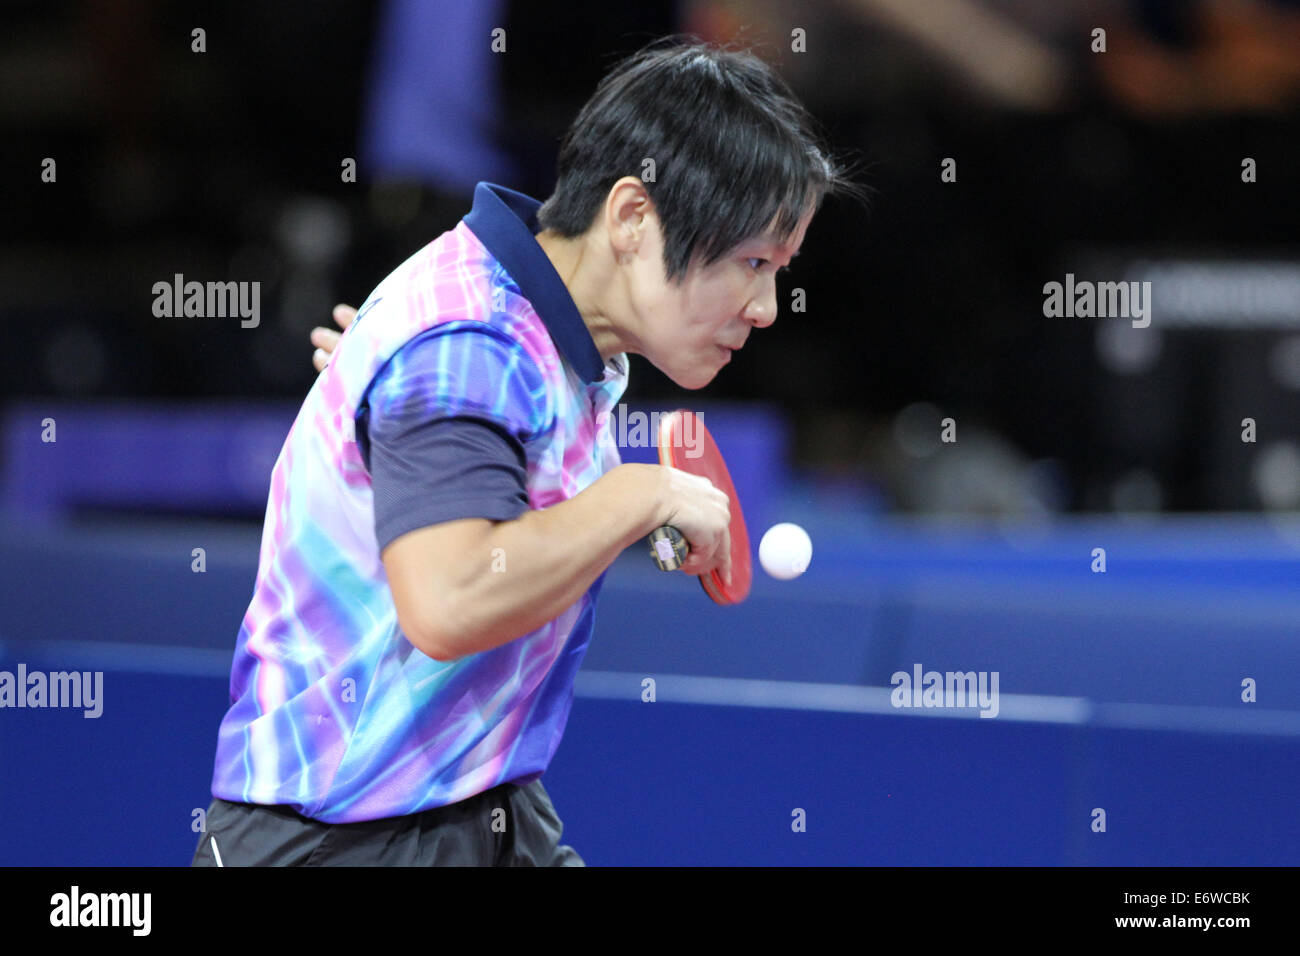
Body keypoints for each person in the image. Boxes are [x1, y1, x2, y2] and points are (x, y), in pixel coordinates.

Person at [193, 37, 860, 867]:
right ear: (630, 218)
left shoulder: (555, 334)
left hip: (483, 807)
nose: (765, 307)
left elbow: (505, 481)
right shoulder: (470, 340)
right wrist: (634, 500)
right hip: (342, 836)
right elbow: (447, 602)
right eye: (752, 263)